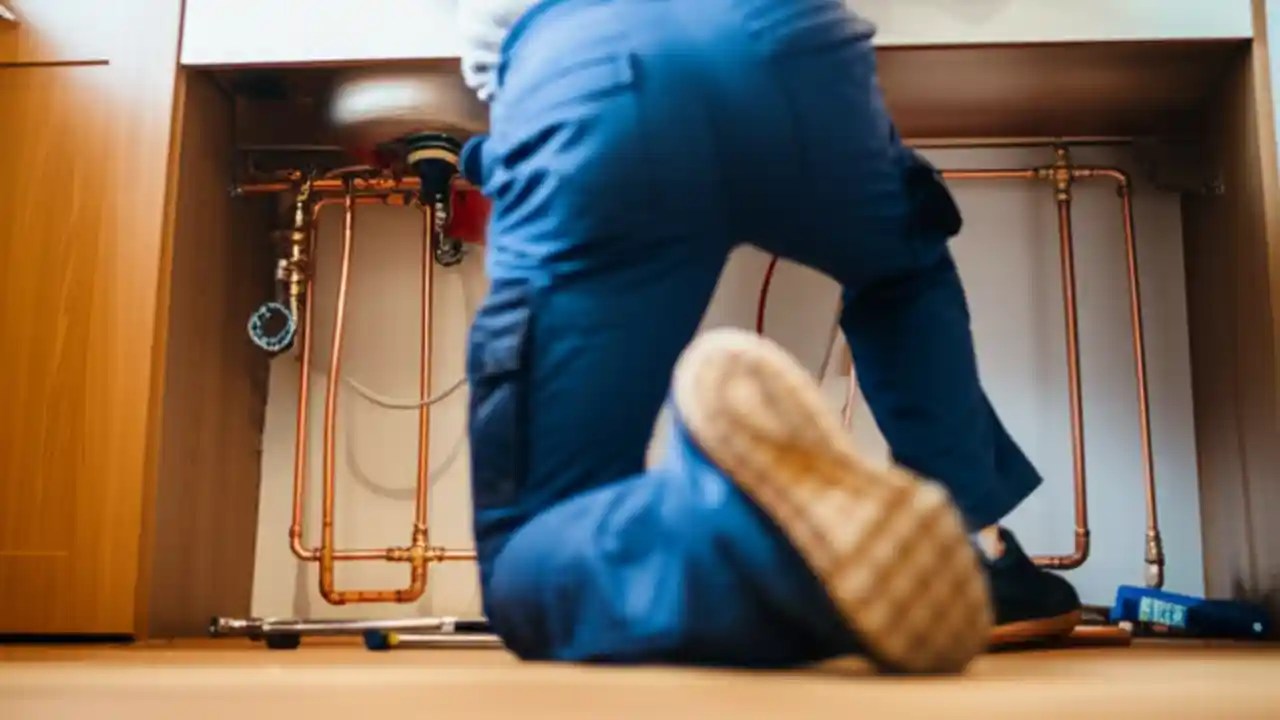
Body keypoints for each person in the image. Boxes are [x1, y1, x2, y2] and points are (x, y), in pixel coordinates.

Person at [455, 0, 1081, 671]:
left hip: (585, 69)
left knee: (530, 557)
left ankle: (765, 546)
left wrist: (507, 156)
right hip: (791, 41)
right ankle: (969, 540)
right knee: (904, 266)